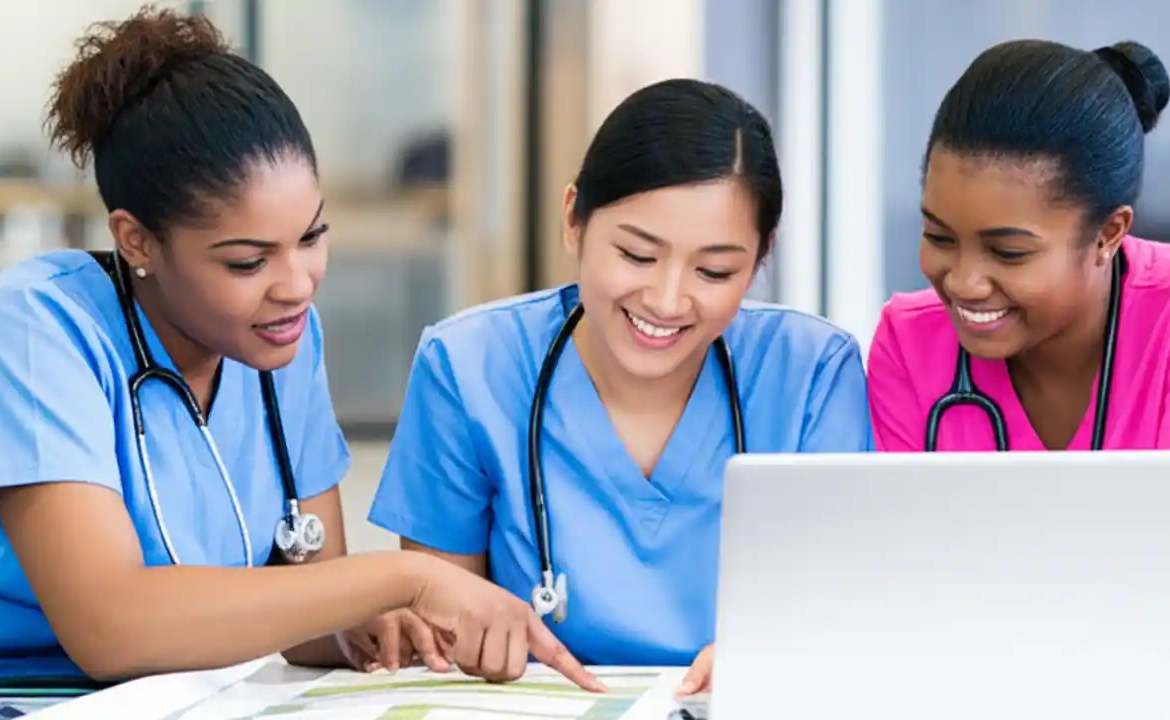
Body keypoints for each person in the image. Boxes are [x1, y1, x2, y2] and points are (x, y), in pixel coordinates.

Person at [0, 7, 600, 693]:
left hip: (193, 694)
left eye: (311, 236)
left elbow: (308, 599)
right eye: (246, 262)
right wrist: (404, 579)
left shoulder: (282, 342)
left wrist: (361, 624)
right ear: (136, 240)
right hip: (10, 696)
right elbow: (110, 628)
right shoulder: (37, 328)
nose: (296, 286)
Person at [367, 78, 874, 694]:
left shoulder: (812, 373)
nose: (666, 300)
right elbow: (437, 631)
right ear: (573, 221)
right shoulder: (468, 366)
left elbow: (836, 614)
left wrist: (781, 650)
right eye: (636, 256)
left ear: (762, 254)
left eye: (715, 270)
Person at [866, 39, 1170, 687]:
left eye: (1008, 253)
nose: (963, 281)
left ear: (1109, 234)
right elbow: (894, 610)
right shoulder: (908, 343)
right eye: (938, 237)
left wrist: (959, 627)